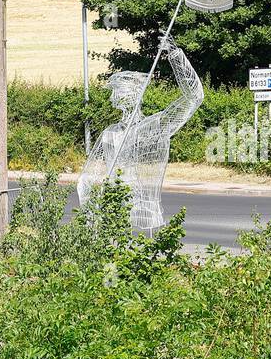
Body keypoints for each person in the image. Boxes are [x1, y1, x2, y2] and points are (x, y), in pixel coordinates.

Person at [77, 36, 204, 230]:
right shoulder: (110, 133)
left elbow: (194, 97)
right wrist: (90, 209)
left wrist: (175, 56)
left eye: (118, 91)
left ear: (134, 94)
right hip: (113, 217)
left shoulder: (153, 127)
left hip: (145, 220)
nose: (112, 97)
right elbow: (88, 178)